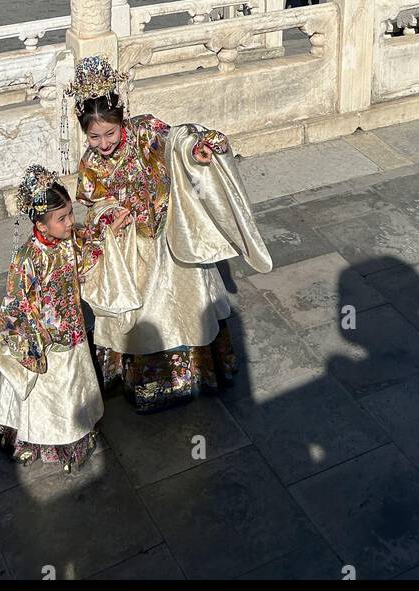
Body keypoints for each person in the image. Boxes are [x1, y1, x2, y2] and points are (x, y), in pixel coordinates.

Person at [70, 57, 272, 414]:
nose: (103, 143)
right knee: (138, 309)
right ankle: (146, 379)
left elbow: (176, 140)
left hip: (169, 232)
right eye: (94, 136)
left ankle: (194, 371)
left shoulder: (145, 130)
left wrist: (196, 150)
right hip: (132, 243)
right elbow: (94, 202)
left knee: (188, 303)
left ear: (122, 121)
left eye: (110, 133)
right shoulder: (92, 161)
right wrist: (109, 216)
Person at [0, 165, 136, 470]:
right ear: (41, 226)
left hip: (73, 331)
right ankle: (43, 439)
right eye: (63, 218)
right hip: (44, 340)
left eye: (70, 213)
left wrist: (110, 229)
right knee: (49, 391)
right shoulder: (27, 259)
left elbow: (86, 255)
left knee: (72, 387)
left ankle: (73, 433)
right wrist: (39, 339)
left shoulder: (68, 240)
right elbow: (17, 304)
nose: (71, 222)